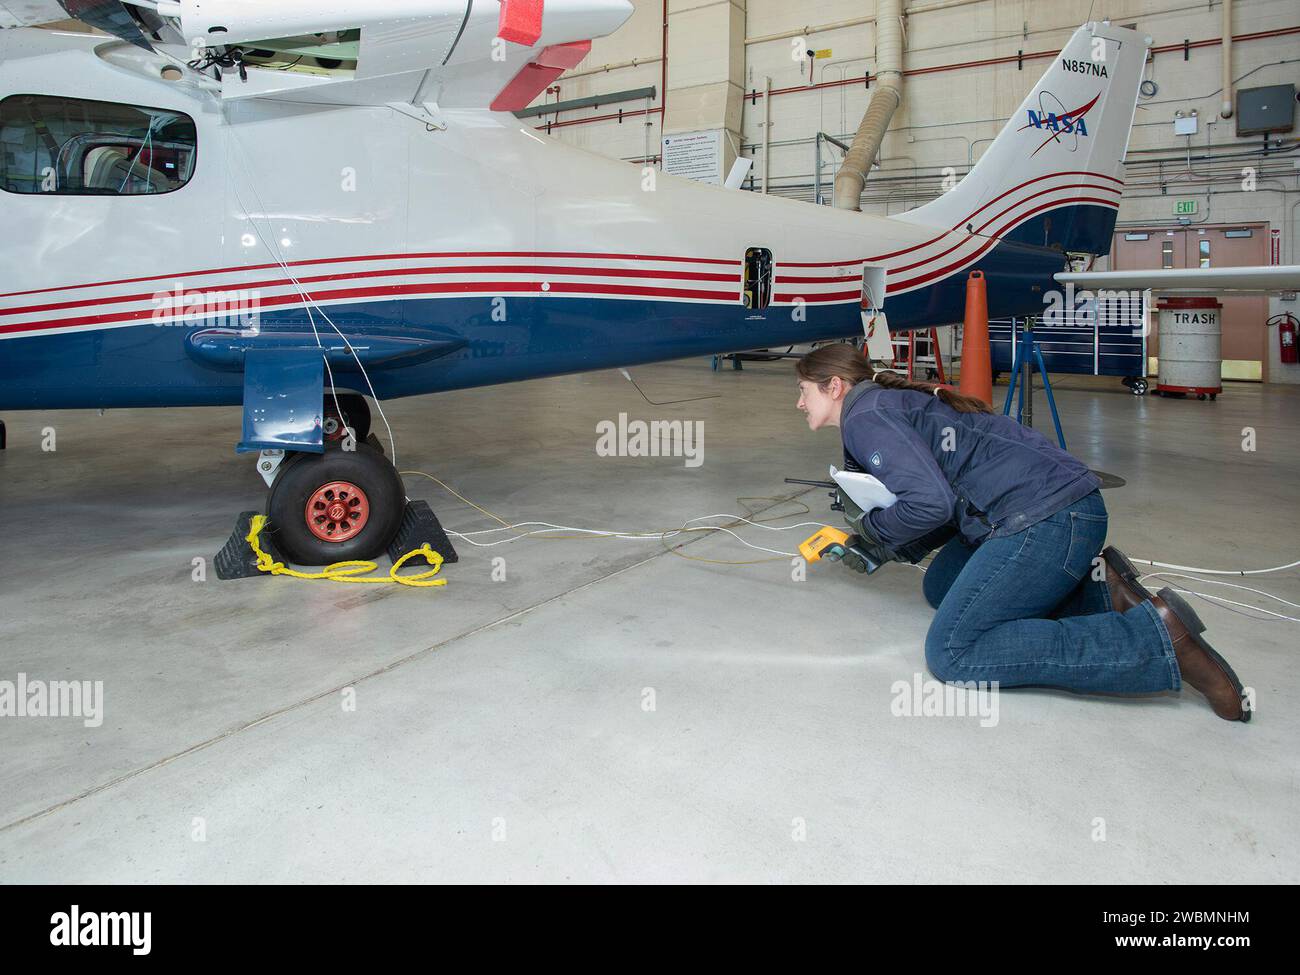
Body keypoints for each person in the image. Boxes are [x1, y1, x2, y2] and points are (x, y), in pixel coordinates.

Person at [794, 344, 1250, 722]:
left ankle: (1152, 640)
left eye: (803, 391)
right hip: (1060, 508)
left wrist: (873, 529)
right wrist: (885, 548)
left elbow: (929, 502)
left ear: (834, 386)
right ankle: (1098, 592)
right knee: (941, 584)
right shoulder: (888, 404)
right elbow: (947, 503)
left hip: (1046, 519)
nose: (800, 403)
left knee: (954, 652)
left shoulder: (865, 415)